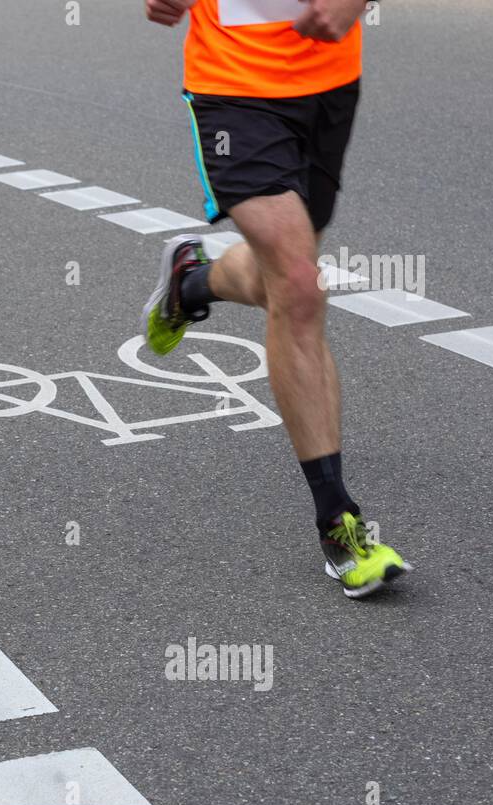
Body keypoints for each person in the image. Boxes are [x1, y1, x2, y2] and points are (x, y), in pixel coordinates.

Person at [143, 0, 409, 598]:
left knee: (287, 282)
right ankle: (341, 531)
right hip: (233, 87)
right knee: (299, 286)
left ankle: (191, 283)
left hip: (329, 84)